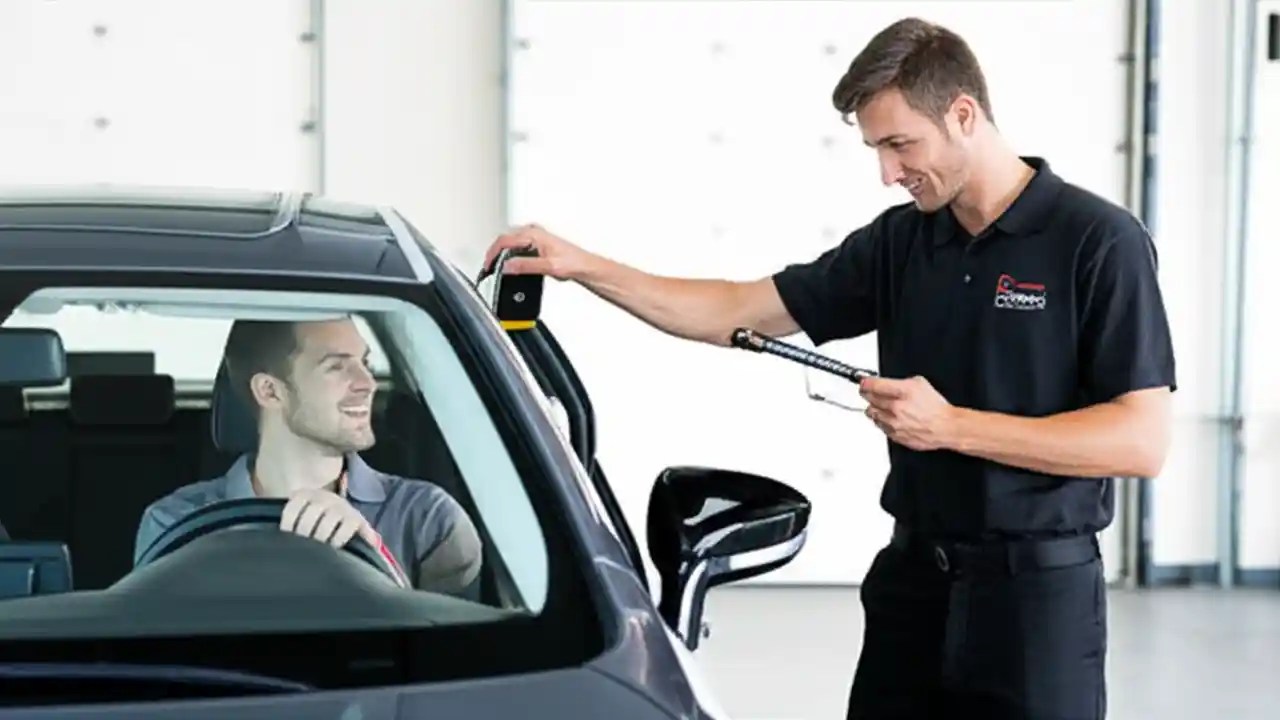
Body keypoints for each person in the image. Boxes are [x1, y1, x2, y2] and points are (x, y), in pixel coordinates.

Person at [482, 16, 1175, 720]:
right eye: (877, 149)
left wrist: (952, 427)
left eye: (901, 145)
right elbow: (736, 309)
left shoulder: (1097, 242)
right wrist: (584, 266)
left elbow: (1140, 441)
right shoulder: (902, 241)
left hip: (1037, 603)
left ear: (963, 114)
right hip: (912, 588)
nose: (888, 173)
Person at [134, 317, 484, 598]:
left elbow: (459, 664)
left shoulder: (427, 518)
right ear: (270, 391)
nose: (367, 383)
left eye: (364, 362)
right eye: (336, 367)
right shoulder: (177, 523)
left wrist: (374, 553)